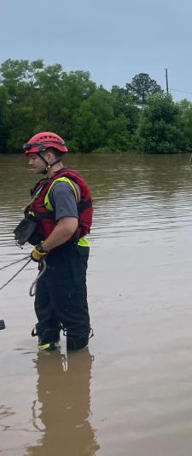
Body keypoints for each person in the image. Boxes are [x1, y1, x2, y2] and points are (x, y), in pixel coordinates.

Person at [19, 132, 93, 352]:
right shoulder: (48, 184)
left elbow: (68, 226)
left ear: (49, 156)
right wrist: (42, 251)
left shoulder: (61, 186)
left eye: (33, 157)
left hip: (68, 254)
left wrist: (42, 248)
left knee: (72, 310)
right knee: (45, 307)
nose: (30, 162)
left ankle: (78, 368)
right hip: (52, 254)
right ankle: (48, 361)